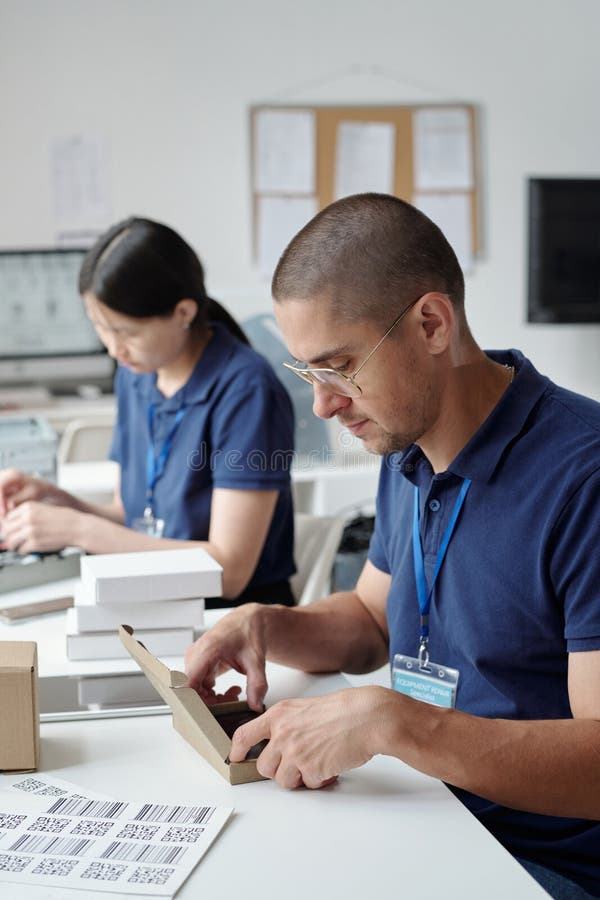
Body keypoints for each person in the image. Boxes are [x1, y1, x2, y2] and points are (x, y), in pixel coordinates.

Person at [184, 194, 600, 897]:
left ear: (432, 324)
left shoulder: (582, 478)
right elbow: (375, 621)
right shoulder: (404, 448)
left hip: (544, 865)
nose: (322, 404)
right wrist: (266, 622)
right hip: (432, 814)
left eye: (339, 365)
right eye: (308, 373)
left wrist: (395, 721)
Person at [0, 217, 296, 605]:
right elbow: (134, 519)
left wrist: (81, 530)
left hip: (231, 621)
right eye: (101, 329)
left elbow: (229, 572)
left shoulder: (247, 391)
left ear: (183, 312)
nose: (113, 349)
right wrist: (58, 503)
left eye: (126, 332)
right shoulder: (137, 375)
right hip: (152, 606)